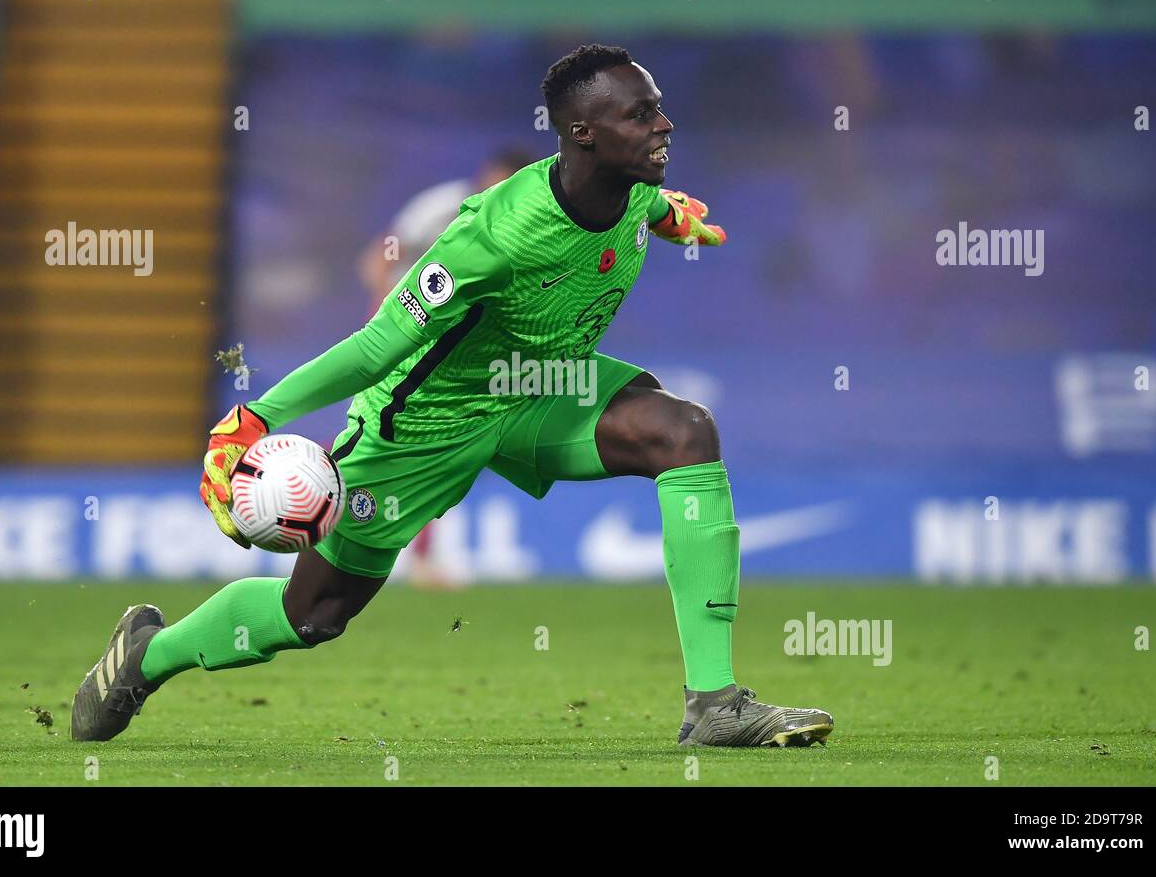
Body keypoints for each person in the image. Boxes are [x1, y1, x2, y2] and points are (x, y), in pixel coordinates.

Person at [71, 43, 834, 749]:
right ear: (582, 134)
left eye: (658, 105)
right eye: (639, 114)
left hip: (538, 390)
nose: (663, 122)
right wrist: (256, 415)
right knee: (313, 616)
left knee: (684, 433)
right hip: (425, 423)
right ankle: (149, 653)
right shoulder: (494, 234)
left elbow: (643, 210)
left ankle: (714, 705)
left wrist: (670, 216)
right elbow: (377, 348)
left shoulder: (635, 188)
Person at [355, 147, 536, 587]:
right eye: (493, 182)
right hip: (404, 333)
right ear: (483, 176)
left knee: (412, 441)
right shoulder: (443, 207)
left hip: (449, 347)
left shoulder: (523, 224)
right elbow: (376, 260)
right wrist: (388, 324)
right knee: (387, 436)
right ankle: (300, 492)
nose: (497, 191)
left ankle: (412, 552)